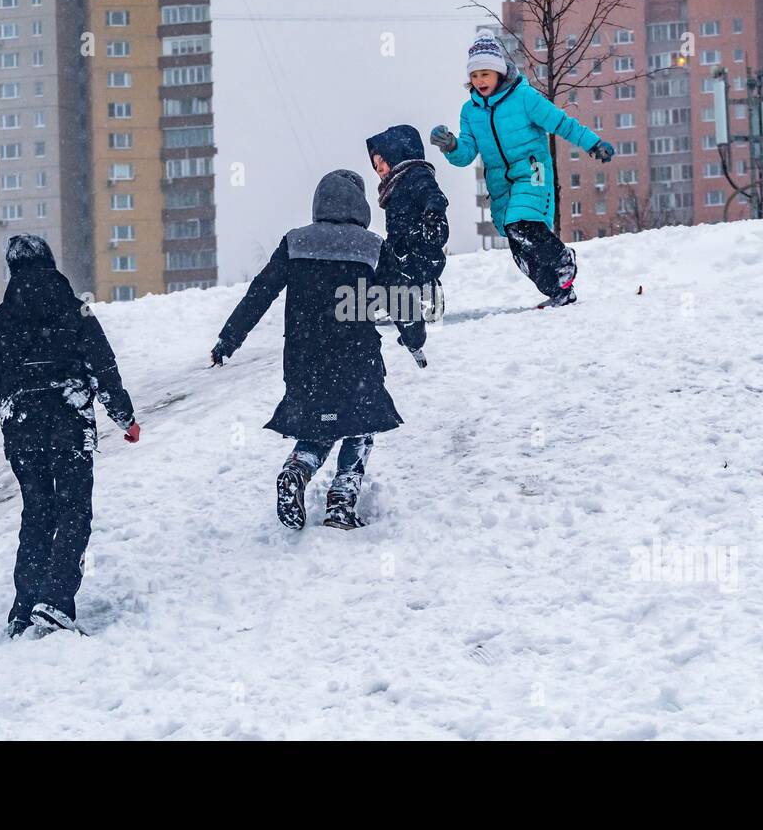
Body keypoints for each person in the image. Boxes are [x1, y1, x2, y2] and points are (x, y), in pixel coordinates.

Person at [209, 169, 422, 531]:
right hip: (356, 358)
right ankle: (341, 499)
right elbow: (400, 300)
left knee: (320, 421)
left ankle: (297, 469)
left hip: (304, 360)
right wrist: (415, 340)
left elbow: (260, 293)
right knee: (360, 425)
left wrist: (228, 340)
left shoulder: (295, 243)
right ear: (360, 205)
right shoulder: (370, 246)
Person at [0, 234, 140, 638]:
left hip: (22, 429)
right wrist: (124, 416)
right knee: (74, 513)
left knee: (37, 516)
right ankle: (57, 601)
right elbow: (103, 366)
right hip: (70, 423)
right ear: (49, 261)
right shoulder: (73, 309)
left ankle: (24, 608)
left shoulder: (1, 319)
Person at [430, 31, 614, 307]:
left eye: (486, 74)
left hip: (534, 170)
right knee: (520, 250)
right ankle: (560, 291)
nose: (480, 80)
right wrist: (451, 145)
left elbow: (561, 123)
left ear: (499, 73)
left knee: (522, 223)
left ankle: (564, 258)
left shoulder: (524, 97)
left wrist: (592, 143)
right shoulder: (470, 112)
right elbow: (466, 155)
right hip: (501, 185)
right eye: (475, 75)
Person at [365, 124, 450, 327]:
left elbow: (434, 195)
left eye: (382, 161)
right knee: (386, 271)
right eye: (375, 165)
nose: (379, 169)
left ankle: (429, 297)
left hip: (420, 236)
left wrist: (432, 215)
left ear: (397, 154)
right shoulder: (392, 186)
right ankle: (383, 302)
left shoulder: (416, 174)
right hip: (398, 240)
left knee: (418, 271)